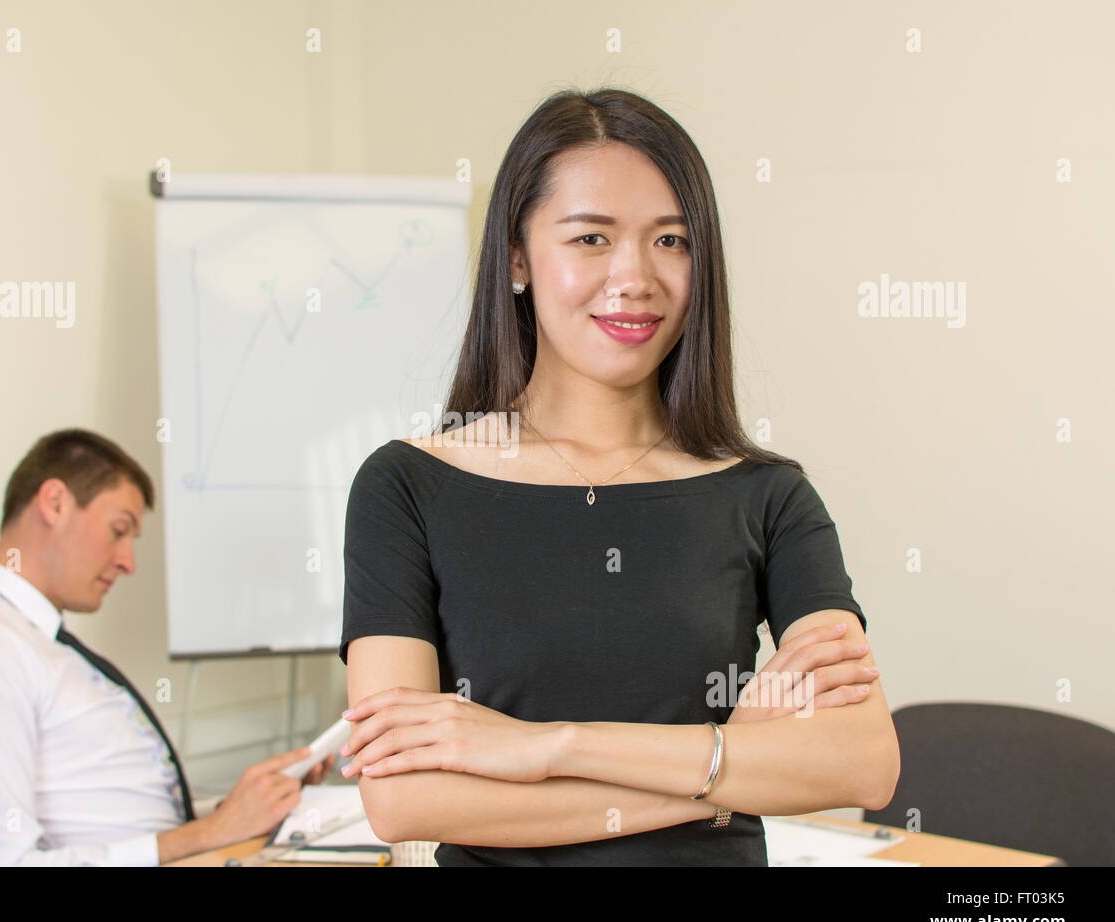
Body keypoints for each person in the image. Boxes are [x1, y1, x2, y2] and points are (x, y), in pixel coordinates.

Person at [337, 88, 900, 865]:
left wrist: (548, 747)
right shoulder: (408, 488)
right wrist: (725, 767)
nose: (635, 277)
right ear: (517, 257)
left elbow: (862, 762)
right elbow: (404, 799)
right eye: (592, 238)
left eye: (671, 241)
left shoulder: (768, 496)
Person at [0, 428, 333, 866]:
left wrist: (244, 808)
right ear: (54, 503)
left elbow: (119, 822)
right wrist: (210, 833)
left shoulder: (37, 643)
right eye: (119, 530)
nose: (128, 562)